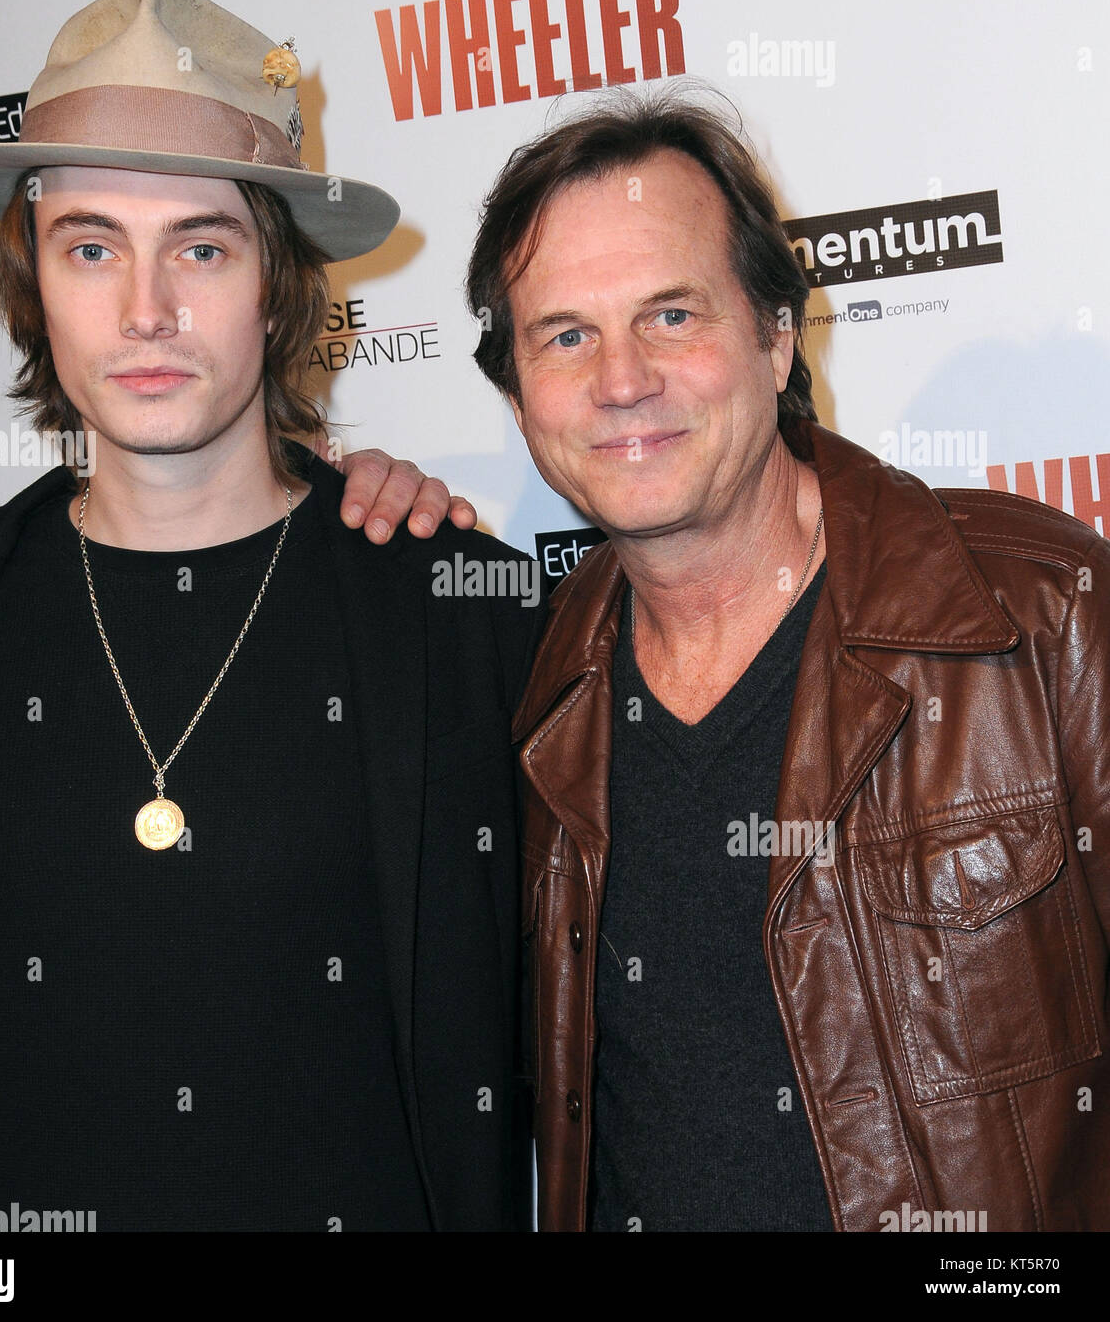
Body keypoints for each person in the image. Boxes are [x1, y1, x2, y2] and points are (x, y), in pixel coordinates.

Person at [0, 0, 541, 1232]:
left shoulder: (454, 610)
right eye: (90, 247)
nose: (146, 311)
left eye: (202, 247)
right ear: (36, 282)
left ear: (278, 286)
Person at [467, 92, 1110, 1231]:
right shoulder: (528, 676)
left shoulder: (1037, 616)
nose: (620, 380)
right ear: (519, 399)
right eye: (564, 336)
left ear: (775, 336)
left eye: (670, 314)